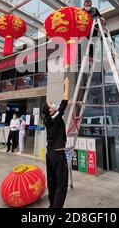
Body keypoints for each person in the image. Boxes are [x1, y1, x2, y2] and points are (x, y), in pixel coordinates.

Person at [41, 77, 70, 208]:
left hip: (50, 155)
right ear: (50, 110)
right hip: (58, 156)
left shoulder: (49, 119)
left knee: (52, 183)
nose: (53, 104)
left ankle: (52, 206)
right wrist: (67, 85)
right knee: (61, 186)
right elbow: (64, 103)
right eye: (50, 104)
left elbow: (63, 105)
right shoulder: (54, 117)